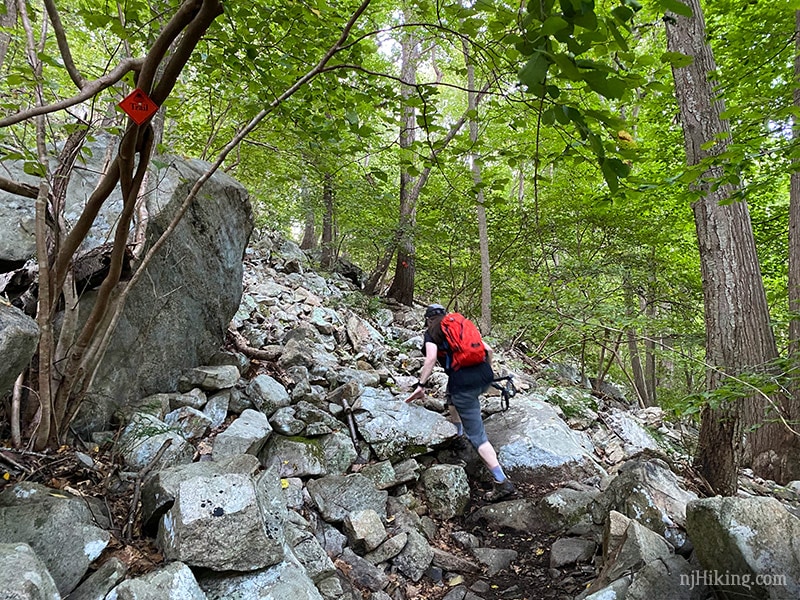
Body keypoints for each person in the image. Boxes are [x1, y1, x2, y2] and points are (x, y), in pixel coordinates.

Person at [406, 303, 517, 502]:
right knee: (452, 395)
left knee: (478, 437)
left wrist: (421, 385)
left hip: (463, 383)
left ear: (429, 319)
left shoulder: (431, 333)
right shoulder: (458, 326)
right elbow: (488, 350)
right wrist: (484, 374)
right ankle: (457, 434)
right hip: (482, 374)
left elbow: (431, 359)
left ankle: (502, 482)